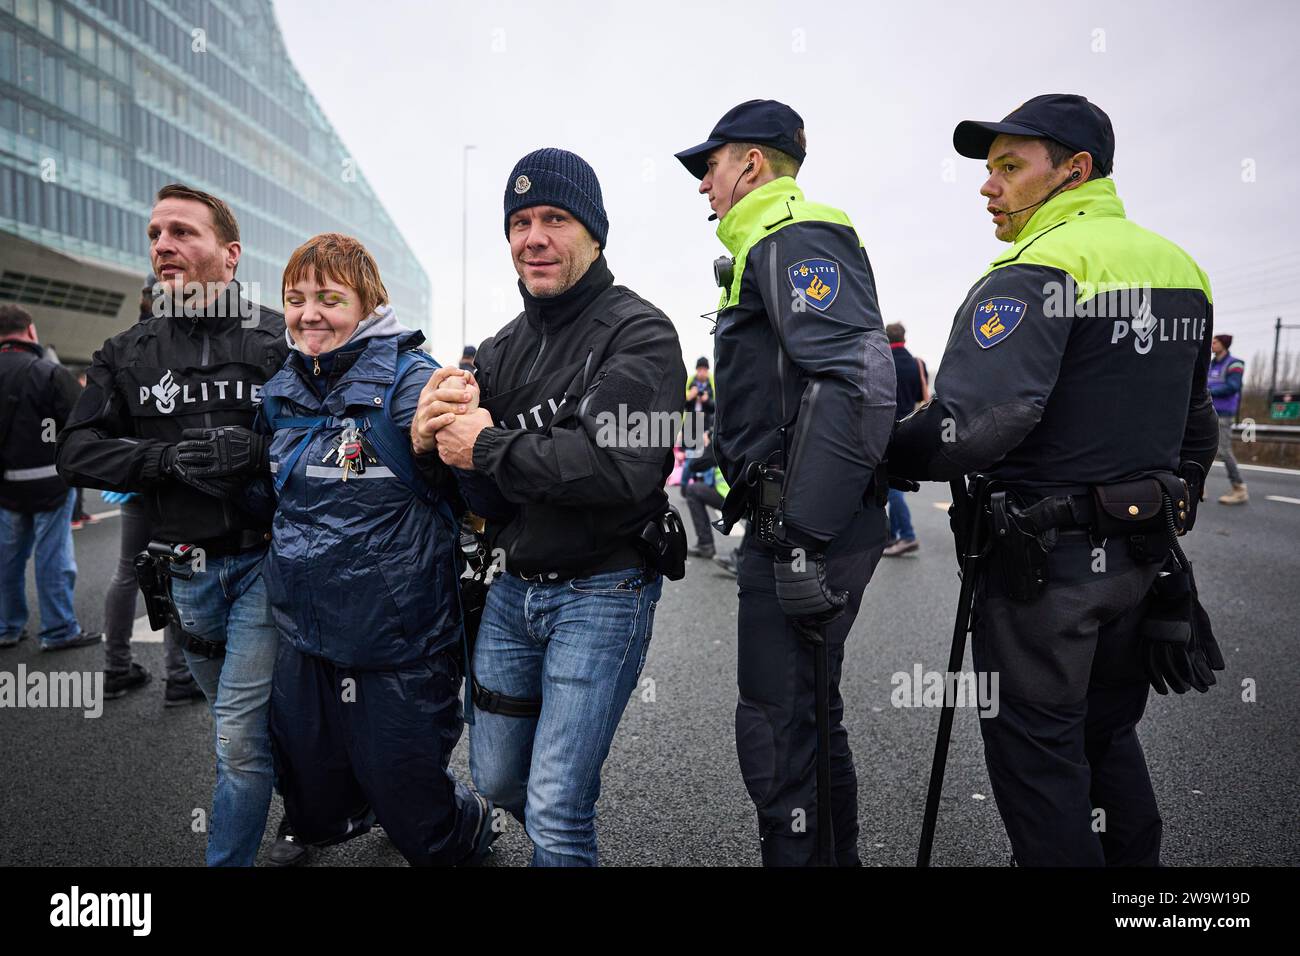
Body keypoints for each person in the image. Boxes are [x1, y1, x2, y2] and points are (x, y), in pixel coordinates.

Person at [889, 94, 1221, 866]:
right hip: (1140, 565)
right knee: (1107, 739)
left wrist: (870, 456)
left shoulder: (1039, 266)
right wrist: (1172, 508)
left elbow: (973, 427)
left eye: (1009, 168)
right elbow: (1195, 421)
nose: (988, 186)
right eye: (988, 169)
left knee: (1041, 765)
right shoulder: (1181, 266)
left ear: (1073, 172)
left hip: (1044, 575)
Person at [412, 148, 685, 866]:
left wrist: (487, 445)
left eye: (555, 219)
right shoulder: (499, 350)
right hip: (510, 593)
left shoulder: (642, 333)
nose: (533, 237)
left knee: (558, 807)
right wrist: (435, 438)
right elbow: (485, 495)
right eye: (520, 221)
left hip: (604, 589)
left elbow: (619, 467)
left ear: (594, 233)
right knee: (498, 780)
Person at [675, 100, 897, 866]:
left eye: (710, 166)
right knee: (808, 714)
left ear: (752, 165)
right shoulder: (772, 241)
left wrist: (801, 538)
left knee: (777, 728)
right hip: (801, 517)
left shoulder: (789, 234)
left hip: (802, 527)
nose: (704, 184)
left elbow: (858, 382)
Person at [56, 183, 289, 866]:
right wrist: (158, 459)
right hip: (184, 577)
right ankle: (325, 805)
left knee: (238, 737)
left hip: (266, 566)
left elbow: (337, 435)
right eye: (156, 233)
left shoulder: (280, 335)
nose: (163, 245)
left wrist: (260, 452)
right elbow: (73, 450)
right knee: (242, 724)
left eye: (184, 232)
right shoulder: (126, 350)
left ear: (230, 253)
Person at [255, 233, 493, 866]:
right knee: (305, 768)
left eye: (330, 298)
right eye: (295, 298)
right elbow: (275, 495)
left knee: (421, 827)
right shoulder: (281, 388)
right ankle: (323, 817)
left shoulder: (414, 379)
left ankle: (468, 823)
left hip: (397, 638)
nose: (309, 314)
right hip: (304, 632)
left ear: (369, 304)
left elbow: (479, 492)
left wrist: (438, 434)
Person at [100, 273, 203, 704]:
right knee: (177, 570)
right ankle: (179, 677)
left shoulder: (125, 346)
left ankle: (115, 667)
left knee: (128, 571)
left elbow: (103, 426)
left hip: (136, 480)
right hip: (177, 479)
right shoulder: (187, 345)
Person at [0, 305, 102, 651]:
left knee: (7, 559)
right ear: (30, 332)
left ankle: (6, 627)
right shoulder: (48, 372)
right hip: (49, 483)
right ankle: (57, 629)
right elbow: (81, 424)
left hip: (5, 487)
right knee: (53, 556)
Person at [883, 322, 924, 557]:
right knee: (896, 484)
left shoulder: (884, 361)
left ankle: (906, 536)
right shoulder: (916, 363)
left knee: (891, 487)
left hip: (886, 428)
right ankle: (892, 537)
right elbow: (920, 396)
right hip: (908, 428)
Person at [1209, 334, 1247, 504]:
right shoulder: (1211, 364)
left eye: (1215, 342)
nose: (1212, 344)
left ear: (1223, 345)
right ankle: (1198, 487)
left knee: (1223, 451)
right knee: (1199, 448)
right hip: (1208, 412)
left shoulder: (1234, 364)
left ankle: (1239, 488)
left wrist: (1207, 391)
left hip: (1224, 414)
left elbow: (1233, 387)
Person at [681, 433, 729, 560]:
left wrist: (708, 445)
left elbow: (695, 465)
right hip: (756, 496)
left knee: (692, 490)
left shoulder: (723, 436)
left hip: (731, 498)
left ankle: (705, 545)